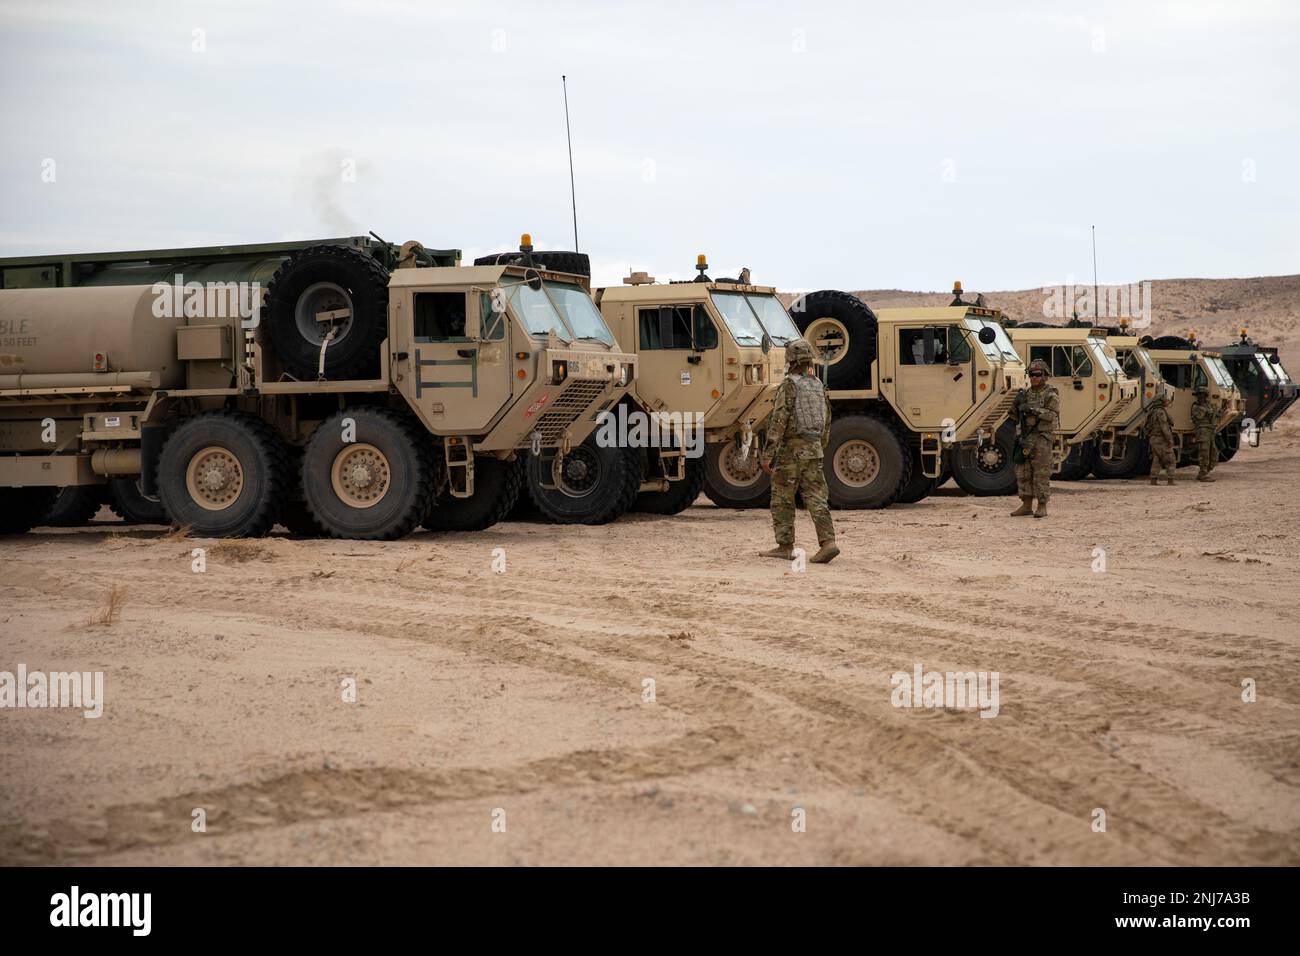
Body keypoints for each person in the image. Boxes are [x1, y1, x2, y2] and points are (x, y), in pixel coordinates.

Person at [760, 338, 838, 563]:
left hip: (791, 452)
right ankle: (828, 542)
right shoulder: (817, 385)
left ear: (791, 360)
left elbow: (779, 419)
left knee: (782, 498)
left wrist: (768, 453)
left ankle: (785, 546)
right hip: (814, 450)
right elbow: (827, 418)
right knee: (816, 498)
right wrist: (819, 445)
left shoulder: (789, 384)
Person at [1010, 359, 1059, 518]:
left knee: (1041, 472)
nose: (1034, 378)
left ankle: (1042, 505)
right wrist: (1016, 406)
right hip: (1026, 438)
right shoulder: (1025, 394)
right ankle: (1026, 504)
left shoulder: (1051, 394)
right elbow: (1014, 417)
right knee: (1023, 472)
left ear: (1045, 375)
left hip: (1041, 438)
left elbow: (1052, 416)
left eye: (1038, 374)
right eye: (1031, 374)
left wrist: (1033, 410)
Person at [1146, 388, 1176, 485]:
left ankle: (1153, 480)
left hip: (1154, 438)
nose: (1166, 401)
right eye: (1164, 400)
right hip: (1161, 439)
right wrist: (1169, 439)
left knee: (1157, 459)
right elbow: (1164, 427)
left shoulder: (1153, 411)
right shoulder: (1160, 412)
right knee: (1170, 459)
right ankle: (1170, 480)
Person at [1190, 386, 1218, 482]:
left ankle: (1205, 472)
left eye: (1203, 395)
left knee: (1214, 454)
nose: (1201, 397)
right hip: (1202, 431)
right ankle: (1203, 474)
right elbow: (1198, 417)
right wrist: (1204, 410)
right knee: (1204, 453)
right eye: (1199, 395)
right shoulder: (1195, 406)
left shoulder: (1208, 404)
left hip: (1210, 431)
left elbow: (1213, 416)